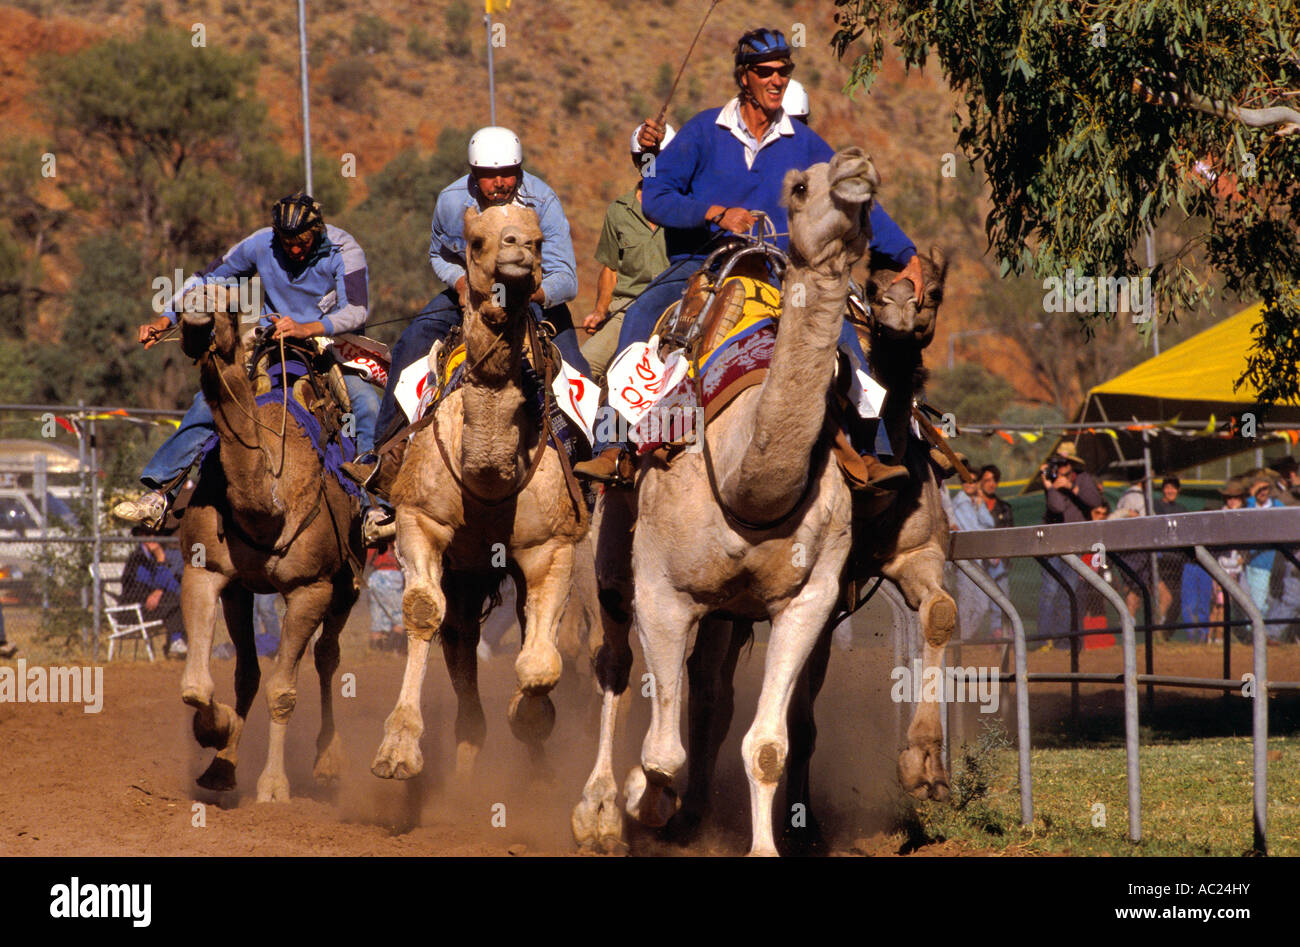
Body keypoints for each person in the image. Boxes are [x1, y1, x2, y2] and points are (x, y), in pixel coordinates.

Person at [575, 27, 923, 486]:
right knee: (639, 320)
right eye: (766, 72)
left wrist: (906, 254)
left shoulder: (804, 143)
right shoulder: (703, 131)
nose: (777, 80)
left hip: (781, 270)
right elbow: (657, 196)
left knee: (844, 337)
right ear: (744, 77)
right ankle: (612, 446)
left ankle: (870, 451)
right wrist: (716, 213)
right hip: (702, 265)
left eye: (784, 71)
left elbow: (853, 199)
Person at [113, 193, 381, 535]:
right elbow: (206, 279)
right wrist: (166, 319)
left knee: (367, 403)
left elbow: (356, 310)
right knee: (213, 397)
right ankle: (159, 494)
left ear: (318, 230)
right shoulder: (260, 244)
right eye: (287, 243)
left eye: (302, 241)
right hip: (271, 343)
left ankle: (374, 507)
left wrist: (306, 327)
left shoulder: (344, 250)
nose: (295, 250)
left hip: (330, 347)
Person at [370, 126, 591, 444]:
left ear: (519, 169)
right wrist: (460, 283)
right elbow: (439, 255)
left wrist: (528, 294)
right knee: (410, 343)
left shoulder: (543, 202)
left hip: (530, 297)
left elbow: (567, 279)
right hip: (470, 292)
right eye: (489, 175)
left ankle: (587, 456)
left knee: (574, 364)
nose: (499, 183)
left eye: (508, 173)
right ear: (474, 173)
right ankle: (384, 451)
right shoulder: (450, 200)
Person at [580, 125, 675, 384]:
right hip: (627, 311)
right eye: (643, 159)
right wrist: (600, 311)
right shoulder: (619, 211)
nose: (650, 165)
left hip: (678, 310)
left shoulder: (687, 207)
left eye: (659, 158)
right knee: (581, 368)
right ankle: (593, 425)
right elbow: (610, 268)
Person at [1037, 442, 1103, 649]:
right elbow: (1055, 506)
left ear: (1072, 464)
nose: (1061, 466)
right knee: (1049, 592)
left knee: (1070, 593)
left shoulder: (1083, 479)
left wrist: (1071, 488)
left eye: (1064, 462)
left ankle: (1064, 641)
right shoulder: (1051, 479)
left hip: (1075, 545)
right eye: (1058, 462)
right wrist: (1050, 486)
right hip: (1053, 547)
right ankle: (1041, 640)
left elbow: (1095, 501)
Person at [121, 527, 187, 658]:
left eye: (157, 534)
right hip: (134, 608)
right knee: (175, 599)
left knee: (181, 598)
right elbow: (147, 585)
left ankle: (178, 642)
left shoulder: (160, 555)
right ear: (141, 536)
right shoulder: (137, 558)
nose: (154, 537)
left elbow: (171, 585)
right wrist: (160, 558)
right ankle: (175, 641)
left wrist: (159, 590)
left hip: (156, 604)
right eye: (149, 534)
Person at [950, 474, 996, 640]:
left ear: (978, 483)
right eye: (964, 480)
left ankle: (964, 639)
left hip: (978, 560)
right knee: (966, 604)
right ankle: (961, 641)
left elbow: (989, 524)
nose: (968, 484)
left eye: (972, 481)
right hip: (965, 560)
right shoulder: (959, 503)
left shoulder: (976, 503)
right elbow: (971, 530)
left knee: (982, 605)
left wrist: (979, 506)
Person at [977, 464, 1014, 637]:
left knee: (1001, 597)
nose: (991, 484)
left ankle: (999, 631)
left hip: (999, 562)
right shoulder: (972, 506)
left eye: (994, 480)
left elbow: (1009, 534)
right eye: (987, 480)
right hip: (978, 561)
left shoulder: (1004, 508)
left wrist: (1000, 552)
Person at [1153, 476, 1189, 635]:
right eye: (1167, 488)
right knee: (1162, 597)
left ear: (1178, 490)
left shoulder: (1181, 509)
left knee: (1175, 599)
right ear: (1162, 490)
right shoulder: (1156, 505)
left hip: (1177, 562)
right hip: (1160, 561)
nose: (1170, 491)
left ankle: (1164, 634)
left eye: (1174, 488)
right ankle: (1156, 632)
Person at [366, 543, 405, 652]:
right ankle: (390, 651)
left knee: (378, 623)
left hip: (374, 577)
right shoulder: (396, 535)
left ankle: (374, 654)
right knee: (401, 620)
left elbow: (368, 560)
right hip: (391, 576)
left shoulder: (375, 536)